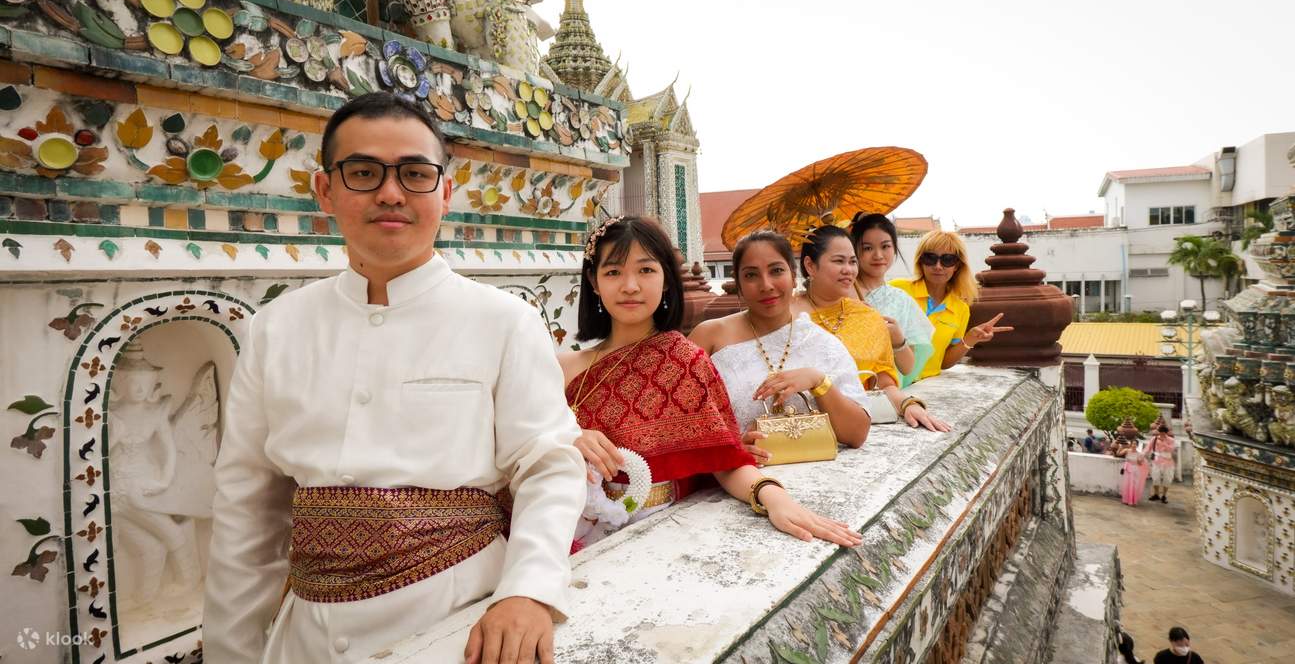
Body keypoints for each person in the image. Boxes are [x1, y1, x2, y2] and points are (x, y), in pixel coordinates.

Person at [203, 92, 586, 664]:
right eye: (363, 172)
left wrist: (529, 591)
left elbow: (549, 464)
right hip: (304, 635)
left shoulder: (504, 321)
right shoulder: (275, 330)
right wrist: (232, 651)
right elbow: (247, 507)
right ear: (325, 191)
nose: (390, 192)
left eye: (414, 173)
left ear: (445, 193)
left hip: (458, 623)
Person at [558, 216, 861, 549]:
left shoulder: (685, 361)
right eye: (613, 272)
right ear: (595, 281)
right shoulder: (563, 367)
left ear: (667, 280)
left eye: (646, 270)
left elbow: (725, 460)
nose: (630, 285)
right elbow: (516, 449)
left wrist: (775, 498)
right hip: (566, 531)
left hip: (655, 538)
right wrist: (565, 438)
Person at [691, 230, 874, 463]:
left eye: (776, 271)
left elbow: (857, 434)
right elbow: (676, 422)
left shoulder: (822, 343)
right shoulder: (710, 337)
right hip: (740, 479)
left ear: (793, 274)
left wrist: (818, 382)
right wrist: (728, 449)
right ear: (738, 282)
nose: (766, 285)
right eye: (751, 275)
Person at [793, 225, 949, 432]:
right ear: (810, 266)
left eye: (852, 261)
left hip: (853, 428)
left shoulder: (867, 316)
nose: (849, 270)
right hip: (798, 426)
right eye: (839, 261)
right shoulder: (786, 315)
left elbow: (883, 384)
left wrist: (908, 405)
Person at [892, 230, 1013, 379]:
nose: (938, 266)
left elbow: (943, 362)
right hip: (889, 385)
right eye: (930, 258)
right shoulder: (897, 289)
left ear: (957, 266)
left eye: (947, 260)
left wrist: (970, 339)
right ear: (920, 261)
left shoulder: (960, 308)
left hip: (924, 387)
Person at [847, 213, 934, 387]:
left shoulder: (901, 300)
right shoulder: (842, 294)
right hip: (849, 394)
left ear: (894, 248)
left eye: (885, 246)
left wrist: (897, 339)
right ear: (854, 250)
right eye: (868, 248)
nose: (878, 255)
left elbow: (908, 368)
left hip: (888, 395)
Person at [1114, 424, 1149, 506]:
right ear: (1131, 444)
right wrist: (1120, 446)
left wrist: (1141, 460)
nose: (1134, 445)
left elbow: (1140, 463)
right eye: (1133, 444)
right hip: (1128, 469)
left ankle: (1133, 500)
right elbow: (1118, 454)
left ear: (1137, 445)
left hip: (1135, 470)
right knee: (1127, 484)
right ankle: (1126, 500)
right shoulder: (1127, 450)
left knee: (1134, 486)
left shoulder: (1139, 454)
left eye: (1135, 444)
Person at [1148, 424, 1177, 503]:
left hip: (1168, 461)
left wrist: (1163, 442)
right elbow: (1148, 448)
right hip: (1157, 461)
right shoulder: (1154, 439)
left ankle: (1164, 495)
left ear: (1166, 433)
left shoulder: (1171, 440)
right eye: (1160, 433)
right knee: (1155, 477)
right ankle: (1156, 494)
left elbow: (1171, 449)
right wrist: (1141, 456)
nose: (1162, 434)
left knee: (1167, 479)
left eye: (1163, 433)